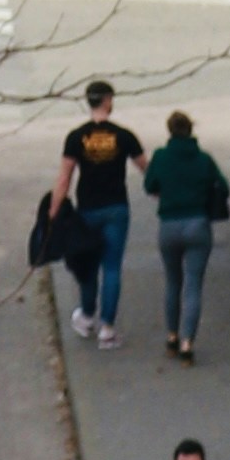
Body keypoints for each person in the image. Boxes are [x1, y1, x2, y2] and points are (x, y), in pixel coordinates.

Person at [51, 80, 149, 341]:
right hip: (117, 207)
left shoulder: (76, 137)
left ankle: (86, 314)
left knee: (88, 265)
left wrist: (54, 211)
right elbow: (145, 169)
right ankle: (107, 328)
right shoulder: (123, 135)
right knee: (113, 267)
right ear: (107, 100)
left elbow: (64, 178)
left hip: (87, 210)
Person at [145, 110, 230, 363]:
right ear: (191, 130)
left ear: (169, 130)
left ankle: (171, 335)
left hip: (169, 226)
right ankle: (187, 342)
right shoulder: (204, 159)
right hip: (198, 225)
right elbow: (223, 187)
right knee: (193, 284)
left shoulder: (161, 157)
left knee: (173, 282)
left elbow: (150, 185)